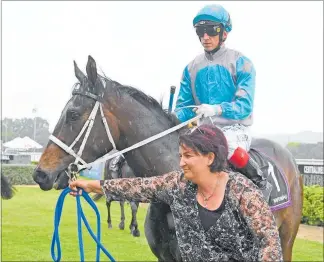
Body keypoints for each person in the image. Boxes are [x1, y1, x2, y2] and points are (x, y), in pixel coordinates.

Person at [69, 124, 283, 262]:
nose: (181, 163)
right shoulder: (178, 185)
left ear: (210, 158)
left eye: (188, 156)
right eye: (180, 156)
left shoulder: (243, 192)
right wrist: (91, 185)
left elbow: (270, 244)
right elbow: (138, 187)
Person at [173, 4, 272, 201]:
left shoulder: (242, 63)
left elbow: (244, 106)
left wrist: (216, 109)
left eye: (211, 31)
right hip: (202, 132)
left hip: (234, 129)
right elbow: (183, 108)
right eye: (201, 32)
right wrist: (169, 118)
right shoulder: (191, 68)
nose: (205, 37)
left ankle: (259, 181)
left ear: (224, 33)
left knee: (226, 145)